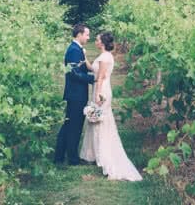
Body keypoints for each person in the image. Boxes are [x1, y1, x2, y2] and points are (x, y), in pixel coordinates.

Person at [79, 31, 142, 181]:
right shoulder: (103, 56)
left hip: (102, 90)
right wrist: (84, 56)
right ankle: (92, 154)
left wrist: (97, 94)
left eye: (98, 39)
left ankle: (104, 156)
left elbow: (100, 77)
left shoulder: (105, 57)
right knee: (95, 121)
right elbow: (91, 69)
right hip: (99, 88)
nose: (95, 40)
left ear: (102, 43)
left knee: (100, 121)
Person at [54, 23, 95, 165]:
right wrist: (92, 79)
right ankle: (72, 158)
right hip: (75, 94)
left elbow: (80, 68)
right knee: (74, 127)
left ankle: (59, 157)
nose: (88, 37)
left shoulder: (77, 49)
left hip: (76, 94)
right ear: (79, 34)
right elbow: (74, 73)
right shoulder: (74, 50)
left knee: (69, 125)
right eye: (87, 34)